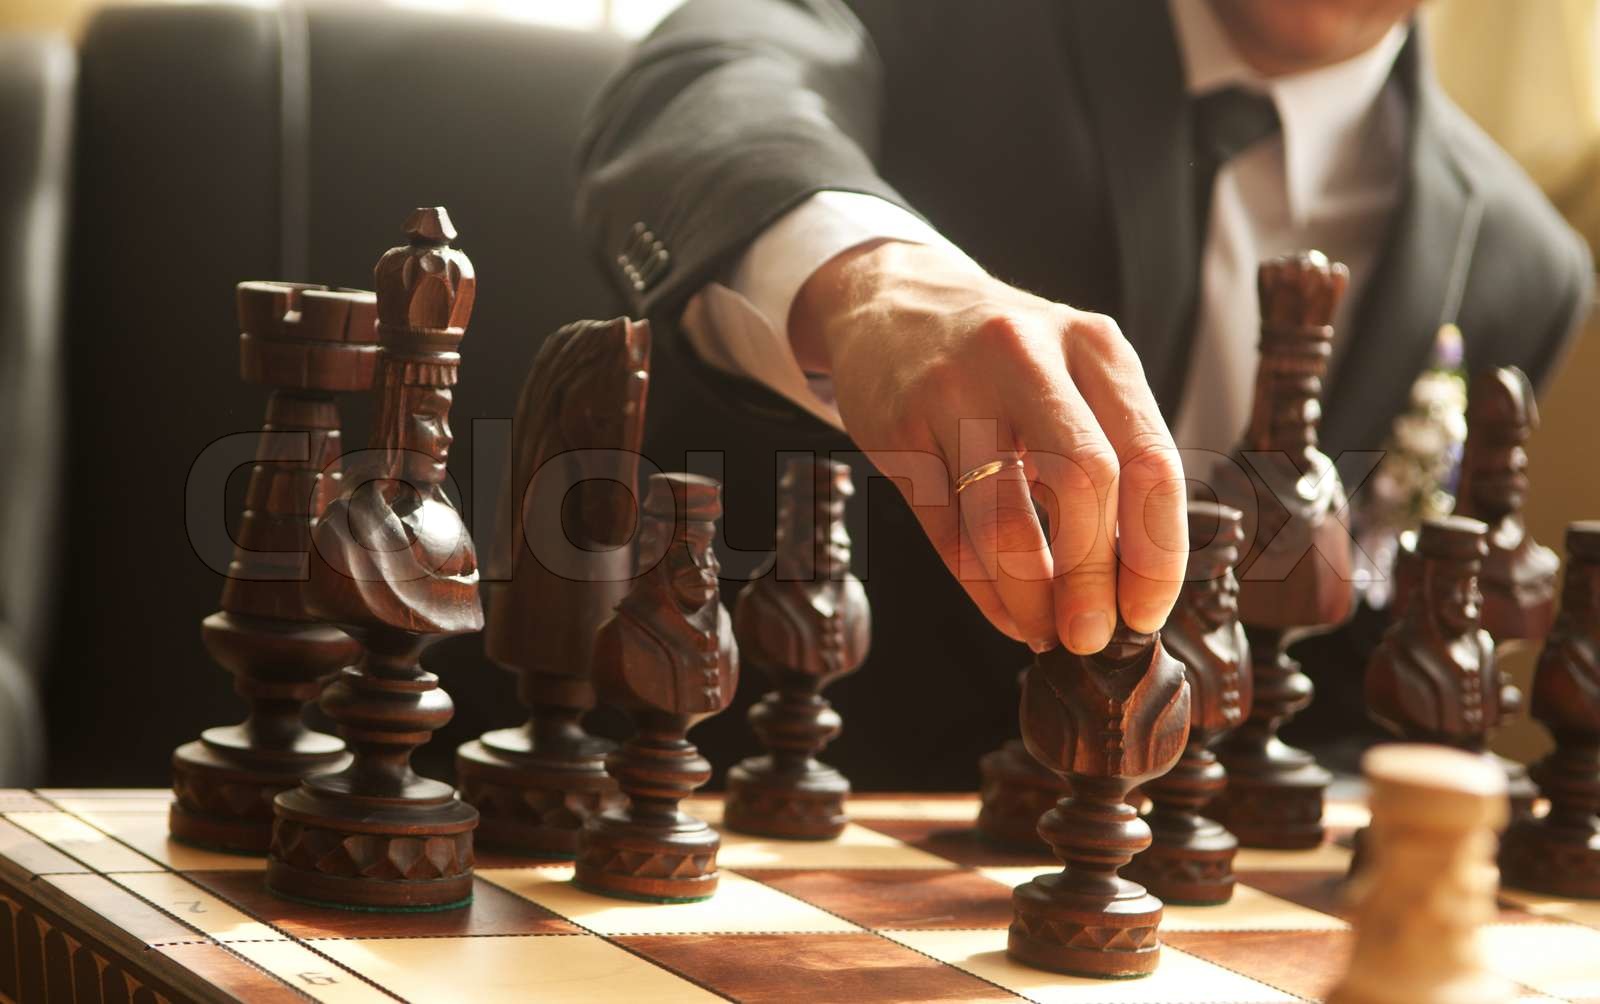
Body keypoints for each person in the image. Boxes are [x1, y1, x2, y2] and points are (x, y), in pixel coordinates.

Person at [573, 0, 1593, 787]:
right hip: (751, 811)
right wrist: (874, 274)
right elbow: (709, 74)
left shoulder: (1522, 267)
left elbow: (1345, 712)